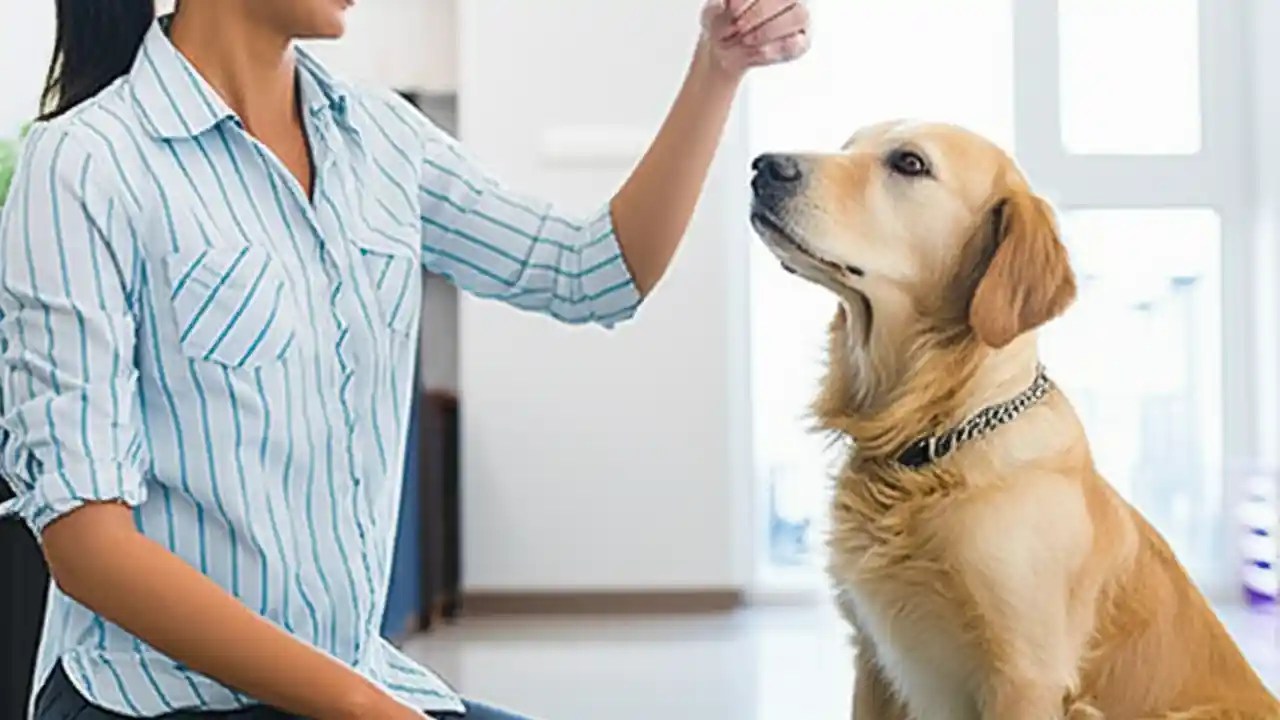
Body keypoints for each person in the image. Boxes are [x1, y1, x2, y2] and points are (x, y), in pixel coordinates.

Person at [0, 0, 810, 718]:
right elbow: (88, 548)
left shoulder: (379, 139)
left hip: (354, 687)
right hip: (152, 698)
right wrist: (364, 707)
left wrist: (718, 66)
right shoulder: (85, 165)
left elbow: (592, 273)